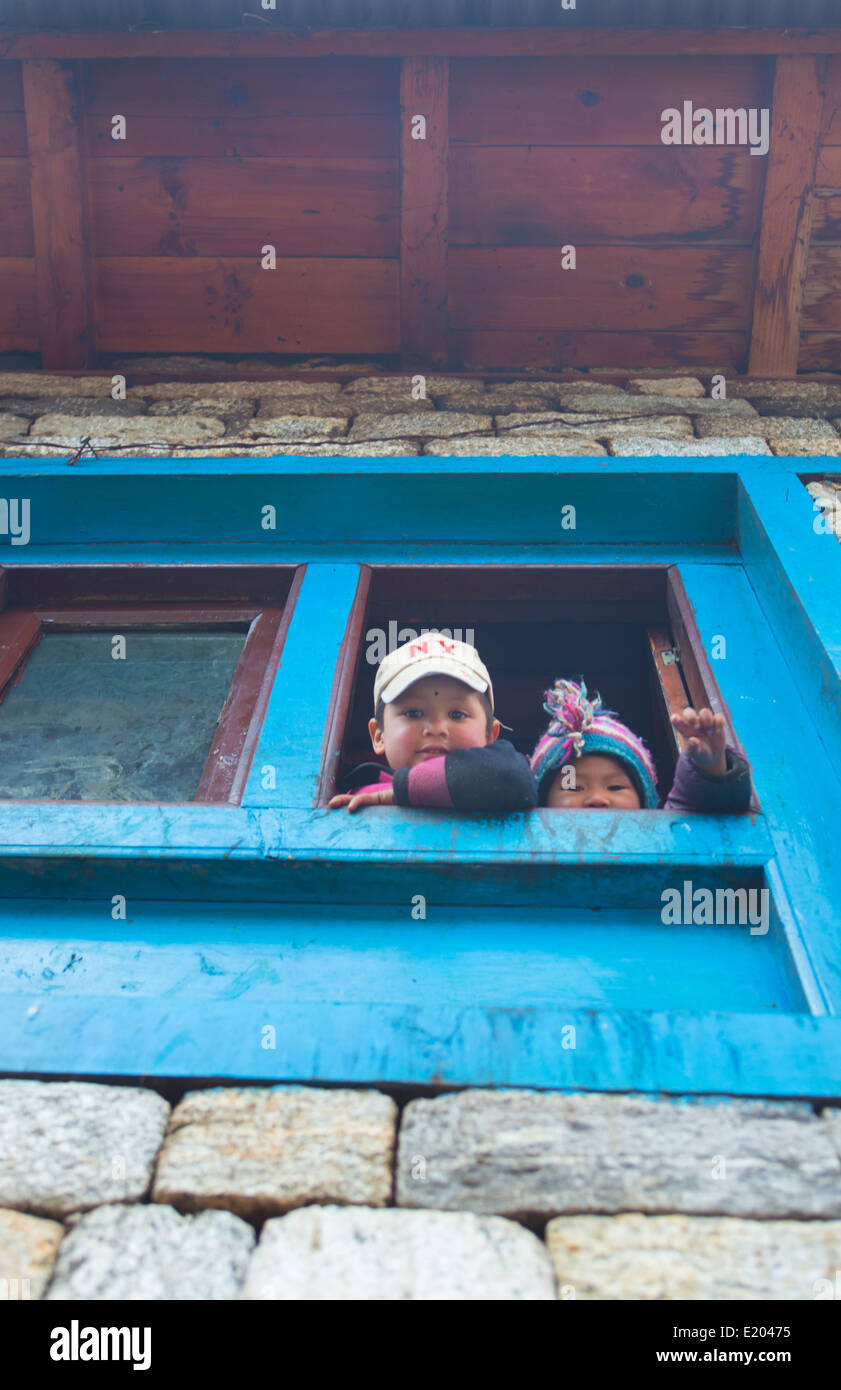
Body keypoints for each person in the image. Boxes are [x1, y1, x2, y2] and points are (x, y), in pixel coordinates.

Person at [329, 635, 537, 813]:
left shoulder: (504, 783)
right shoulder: (357, 798)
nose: (437, 728)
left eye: (457, 714)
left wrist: (405, 792)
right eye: (413, 713)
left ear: (490, 735)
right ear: (378, 736)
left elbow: (512, 776)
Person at [529, 678, 752, 812]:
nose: (597, 799)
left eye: (615, 787)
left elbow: (695, 808)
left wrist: (710, 769)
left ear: (645, 799)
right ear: (542, 800)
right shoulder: (529, 850)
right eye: (574, 787)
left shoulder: (665, 839)